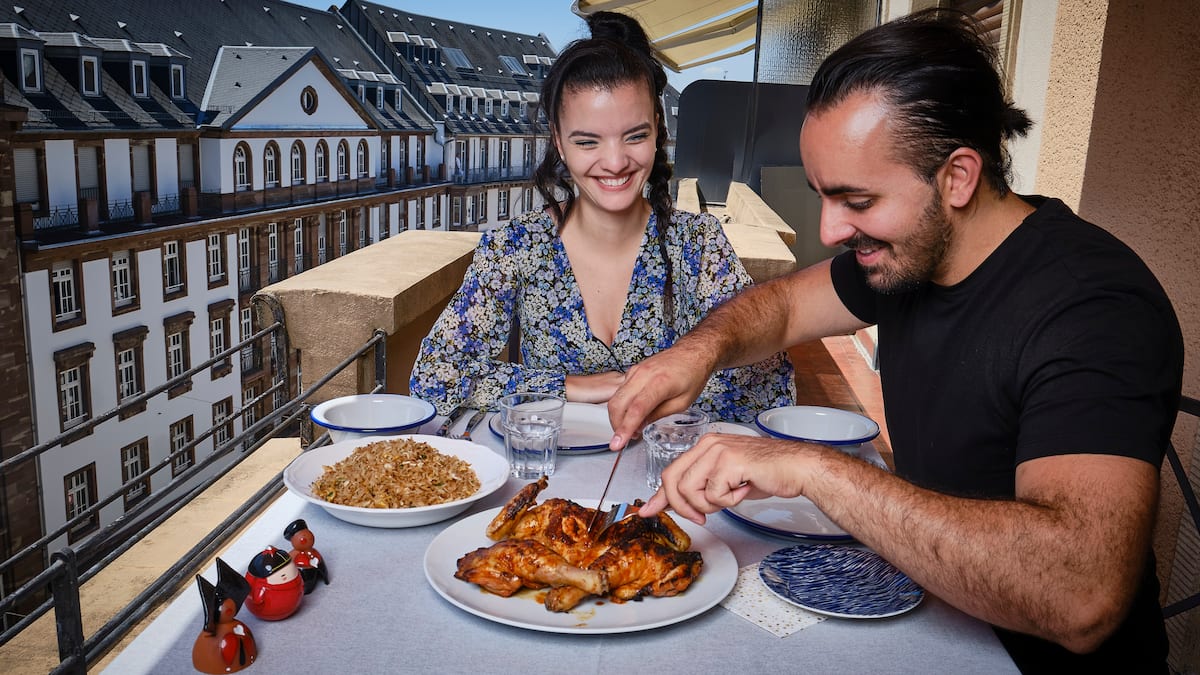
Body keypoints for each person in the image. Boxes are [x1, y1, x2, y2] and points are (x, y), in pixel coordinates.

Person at [607, 9, 1182, 673]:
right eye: (823, 196)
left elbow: (1079, 592)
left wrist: (813, 468)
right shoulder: (911, 253)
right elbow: (784, 306)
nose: (829, 230)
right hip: (933, 611)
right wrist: (697, 352)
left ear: (957, 177)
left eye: (857, 200)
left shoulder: (1094, 307)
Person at [409, 11, 794, 422]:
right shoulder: (517, 245)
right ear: (559, 141)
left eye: (635, 136)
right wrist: (574, 387)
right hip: (552, 463)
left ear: (657, 130)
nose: (615, 162)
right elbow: (434, 377)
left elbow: (768, 388)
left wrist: (651, 389)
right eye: (588, 142)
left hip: (675, 462)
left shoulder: (699, 244)